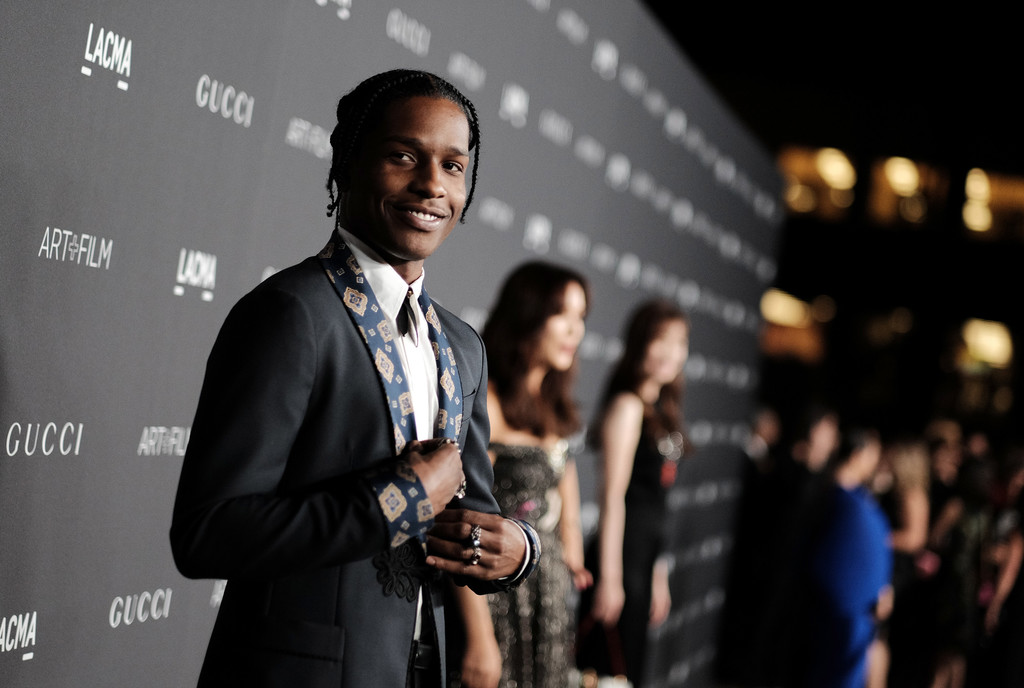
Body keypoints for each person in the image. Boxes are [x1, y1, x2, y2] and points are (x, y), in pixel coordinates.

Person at [169, 69, 539, 688]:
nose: (431, 185)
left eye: (453, 166)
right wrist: (399, 500)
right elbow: (209, 533)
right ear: (345, 165)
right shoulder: (291, 313)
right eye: (403, 156)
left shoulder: (463, 346)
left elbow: (472, 513)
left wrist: (514, 552)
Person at [448, 261, 592, 688]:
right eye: (561, 315)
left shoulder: (555, 406)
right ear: (528, 315)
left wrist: (572, 555)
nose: (574, 331)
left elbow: (563, 485)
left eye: (581, 317)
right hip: (495, 598)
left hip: (548, 599)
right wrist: (480, 638)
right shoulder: (486, 402)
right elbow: (461, 521)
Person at [576, 299, 690, 687]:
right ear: (640, 343)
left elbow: (657, 504)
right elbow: (613, 498)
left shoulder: (663, 408)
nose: (670, 353)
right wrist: (610, 577)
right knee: (606, 674)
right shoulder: (627, 406)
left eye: (679, 343)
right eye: (661, 340)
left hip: (642, 561)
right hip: (619, 558)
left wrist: (658, 575)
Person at [796, 427, 893, 688]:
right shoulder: (835, 498)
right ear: (857, 454)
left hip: (856, 615)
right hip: (840, 617)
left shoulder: (857, 499)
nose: (876, 461)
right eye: (873, 453)